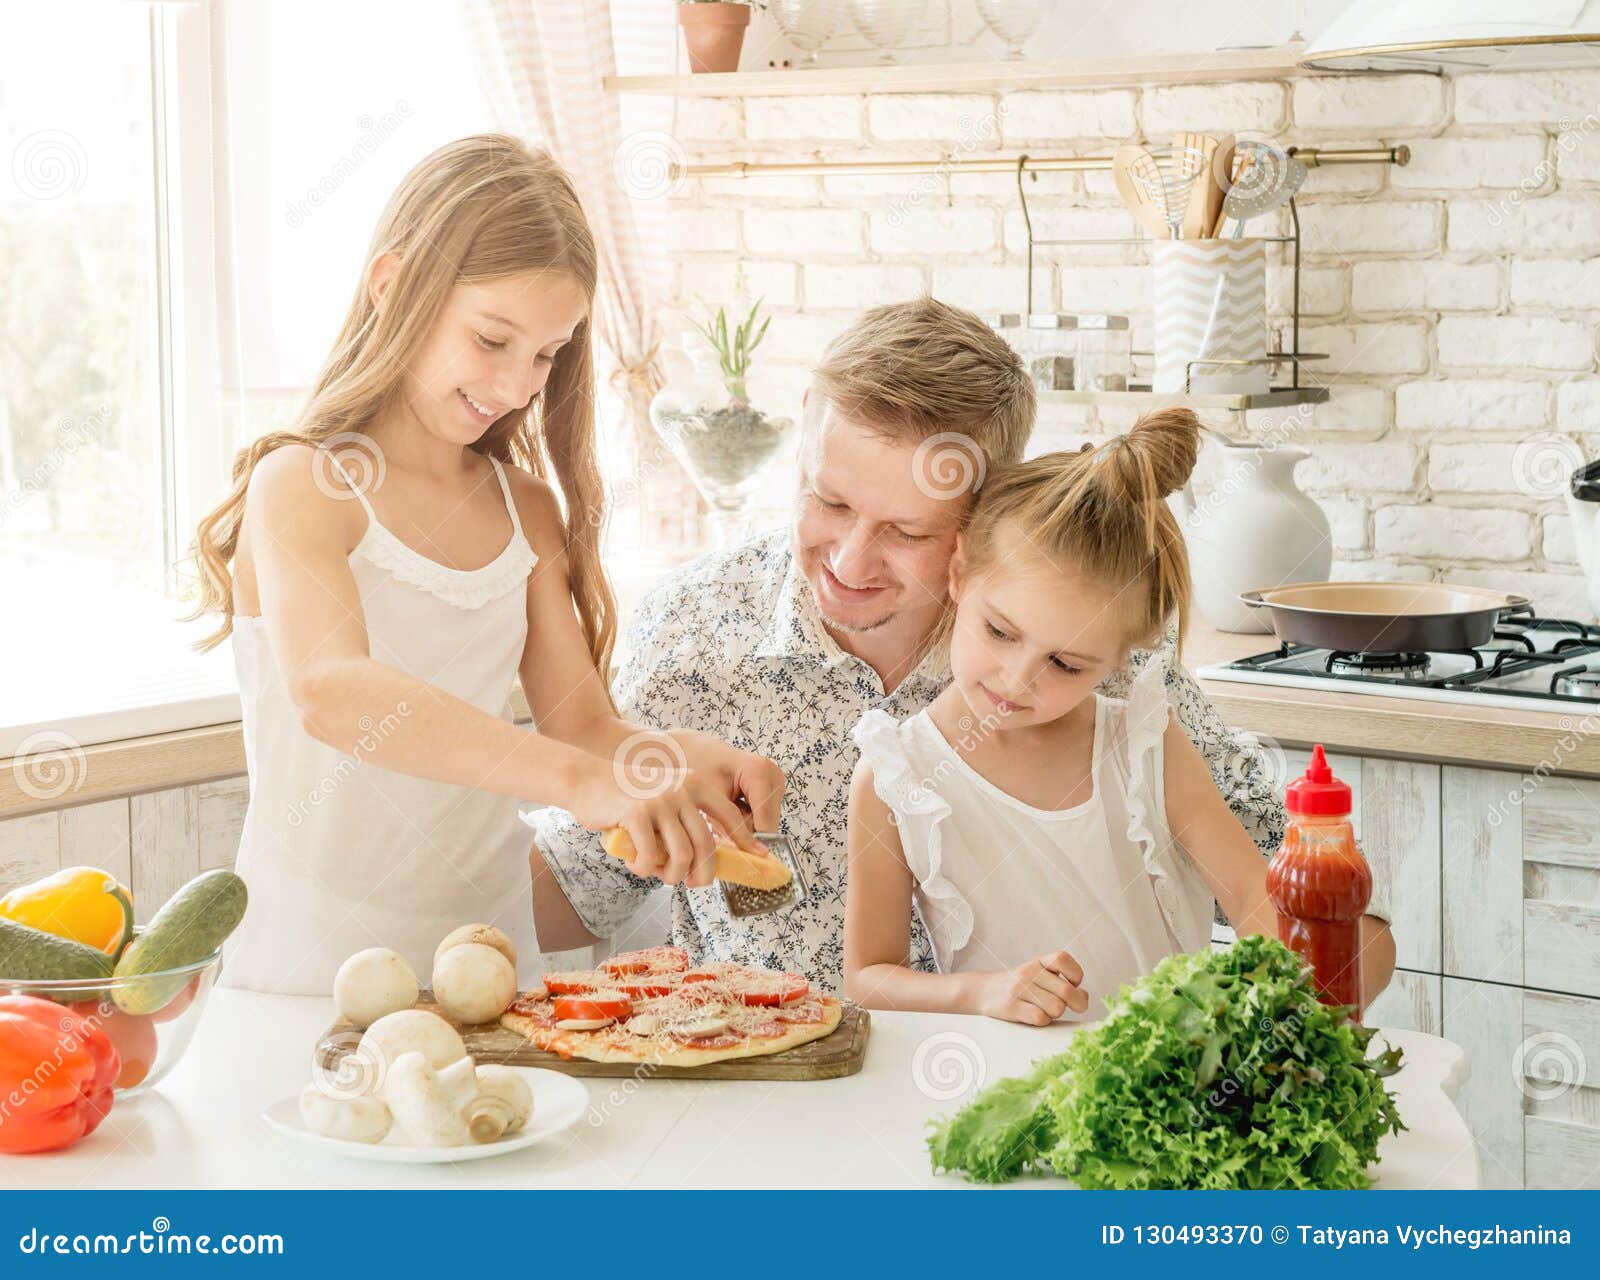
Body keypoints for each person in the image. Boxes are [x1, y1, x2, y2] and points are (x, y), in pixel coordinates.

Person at [529, 297, 1298, 992]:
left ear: (984, 515)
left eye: (905, 532)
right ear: (806, 432)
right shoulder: (695, 632)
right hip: (771, 1103)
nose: (850, 562)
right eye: (829, 501)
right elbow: (578, 885)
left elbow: (1294, 902)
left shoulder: (1093, 652)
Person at [189, 135, 779, 994]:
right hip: (307, 974)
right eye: (492, 340)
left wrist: (672, 763)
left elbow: (581, 729)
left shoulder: (525, 509)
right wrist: (581, 781)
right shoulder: (306, 484)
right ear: (392, 287)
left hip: (494, 973)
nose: (516, 387)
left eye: (546, 355)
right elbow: (331, 690)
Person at [843, 408, 1398, 1023]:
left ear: (1120, 658)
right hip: (1000, 1089)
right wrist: (981, 992)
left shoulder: (1143, 742)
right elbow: (870, 976)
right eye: (999, 631)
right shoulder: (896, 775)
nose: (1017, 679)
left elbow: (1248, 894)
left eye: (1066, 665)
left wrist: (1294, 994)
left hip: (1167, 1086)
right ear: (958, 574)